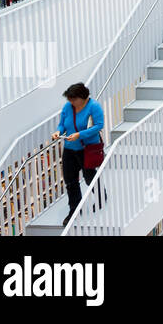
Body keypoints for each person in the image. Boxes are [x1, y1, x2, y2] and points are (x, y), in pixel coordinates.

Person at [52, 82, 104, 226]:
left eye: (73, 99)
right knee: (70, 181)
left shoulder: (94, 107)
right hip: (69, 148)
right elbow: (62, 124)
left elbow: (99, 126)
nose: (71, 102)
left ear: (83, 97)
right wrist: (58, 131)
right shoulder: (68, 107)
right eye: (69, 99)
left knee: (89, 177)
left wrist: (79, 135)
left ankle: (101, 196)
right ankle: (74, 209)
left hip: (86, 148)